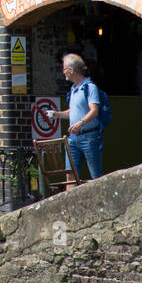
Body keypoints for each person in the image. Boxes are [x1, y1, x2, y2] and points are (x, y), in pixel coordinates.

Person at [48, 53, 104, 186]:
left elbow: (94, 110)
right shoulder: (73, 89)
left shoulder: (89, 87)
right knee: (70, 176)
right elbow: (73, 112)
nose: (63, 72)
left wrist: (80, 123)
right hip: (73, 139)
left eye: (64, 69)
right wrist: (56, 115)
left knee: (96, 176)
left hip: (89, 137)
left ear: (71, 70)